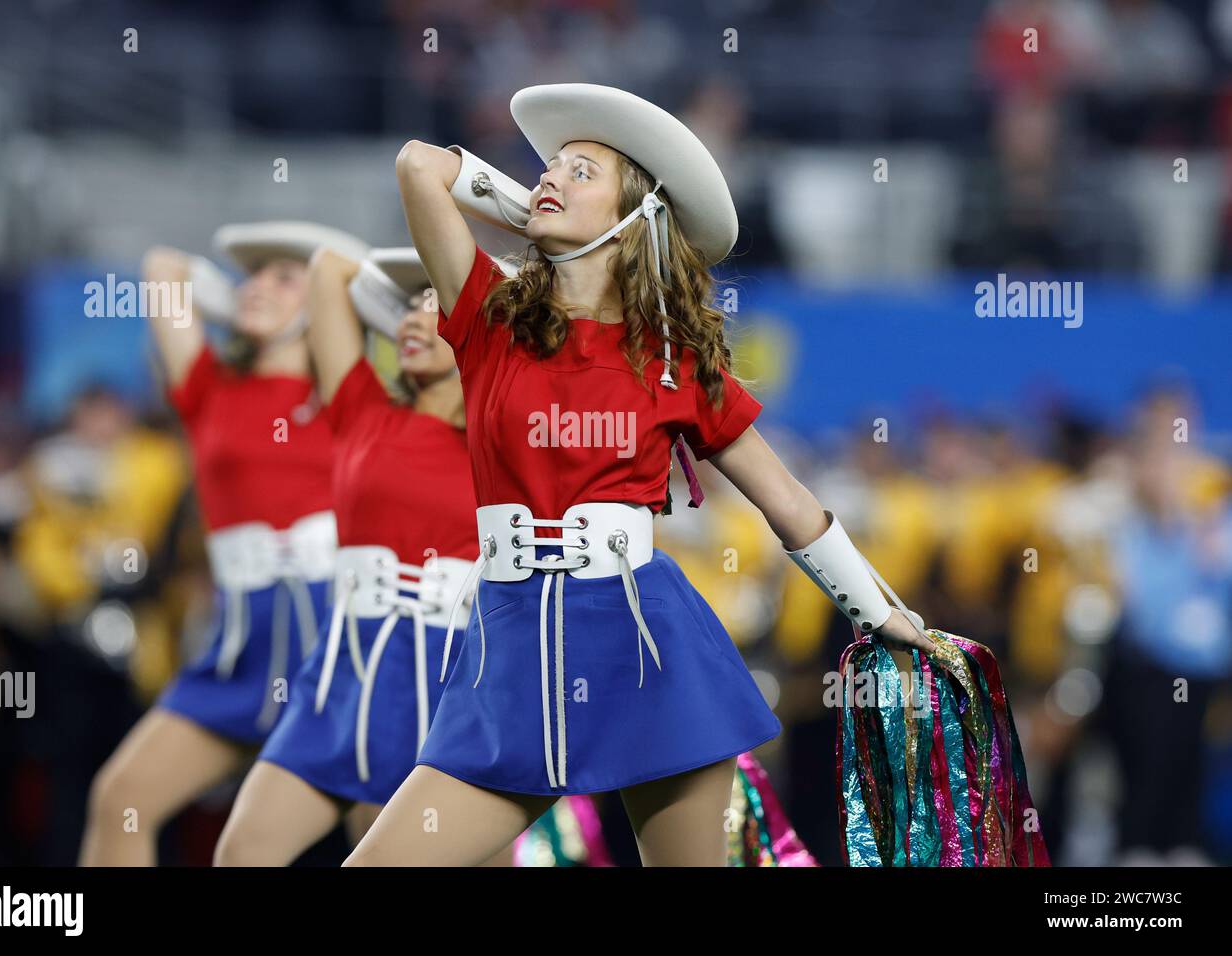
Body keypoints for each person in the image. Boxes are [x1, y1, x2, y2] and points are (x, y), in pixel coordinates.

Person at [345, 84, 930, 867]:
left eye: (580, 171)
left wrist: (876, 613)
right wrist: (550, 217)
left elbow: (787, 502)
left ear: (637, 218)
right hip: (510, 649)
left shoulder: (677, 361)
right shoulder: (490, 316)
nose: (551, 176)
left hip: (650, 650)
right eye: (548, 167)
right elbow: (419, 165)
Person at [80, 222, 365, 865]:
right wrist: (235, 298)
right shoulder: (210, 386)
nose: (258, 286)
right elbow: (161, 264)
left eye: (283, 278)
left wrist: (332, 289)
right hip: (239, 643)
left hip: (339, 645)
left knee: (376, 840)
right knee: (119, 797)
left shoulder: (351, 397)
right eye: (251, 275)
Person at [213, 245, 497, 865]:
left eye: (436, 308)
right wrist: (417, 276)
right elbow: (328, 267)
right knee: (242, 854)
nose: (413, 323)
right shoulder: (362, 406)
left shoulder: (502, 436)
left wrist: (491, 295)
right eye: (405, 310)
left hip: (450, 686)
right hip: (342, 673)